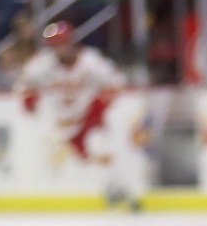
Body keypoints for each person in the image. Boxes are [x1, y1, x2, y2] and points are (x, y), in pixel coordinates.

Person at [15, 19, 140, 208]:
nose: (60, 48)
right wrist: (29, 99)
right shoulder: (42, 64)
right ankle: (112, 189)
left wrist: (100, 105)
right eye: (55, 45)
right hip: (61, 125)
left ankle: (122, 191)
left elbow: (116, 82)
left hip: (88, 119)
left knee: (100, 149)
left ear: (71, 41)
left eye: (63, 43)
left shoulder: (91, 61)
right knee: (83, 165)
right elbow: (24, 85)